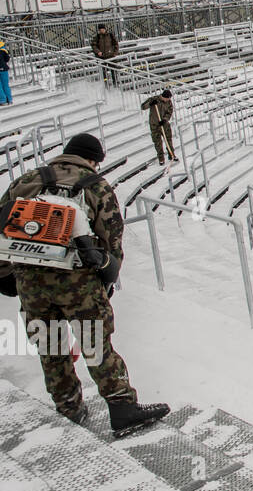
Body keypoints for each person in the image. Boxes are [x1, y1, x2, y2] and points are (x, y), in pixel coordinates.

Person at [0, 133, 169, 436]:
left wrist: (7, 276)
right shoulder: (95, 186)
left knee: (50, 345)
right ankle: (121, 407)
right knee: (94, 343)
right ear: (93, 160)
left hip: (30, 279)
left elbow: (3, 227)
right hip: (77, 283)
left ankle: (68, 408)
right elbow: (111, 241)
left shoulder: (26, 181)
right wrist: (107, 278)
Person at [141, 89, 177, 165]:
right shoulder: (154, 99)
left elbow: (169, 112)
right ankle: (161, 158)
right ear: (163, 96)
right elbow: (143, 107)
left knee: (168, 140)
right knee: (157, 142)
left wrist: (165, 120)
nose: (168, 100)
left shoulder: (169, 102)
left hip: (164, 125)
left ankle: (172, 155)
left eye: (169, 98)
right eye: (167, 98)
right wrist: (150, 103)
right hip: (154, 125)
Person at [0, 38, 11, 105]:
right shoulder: (3, 49)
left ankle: (2, 100)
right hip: (4, 69)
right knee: (5, 85)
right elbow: (7, 59)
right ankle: (9, 99)